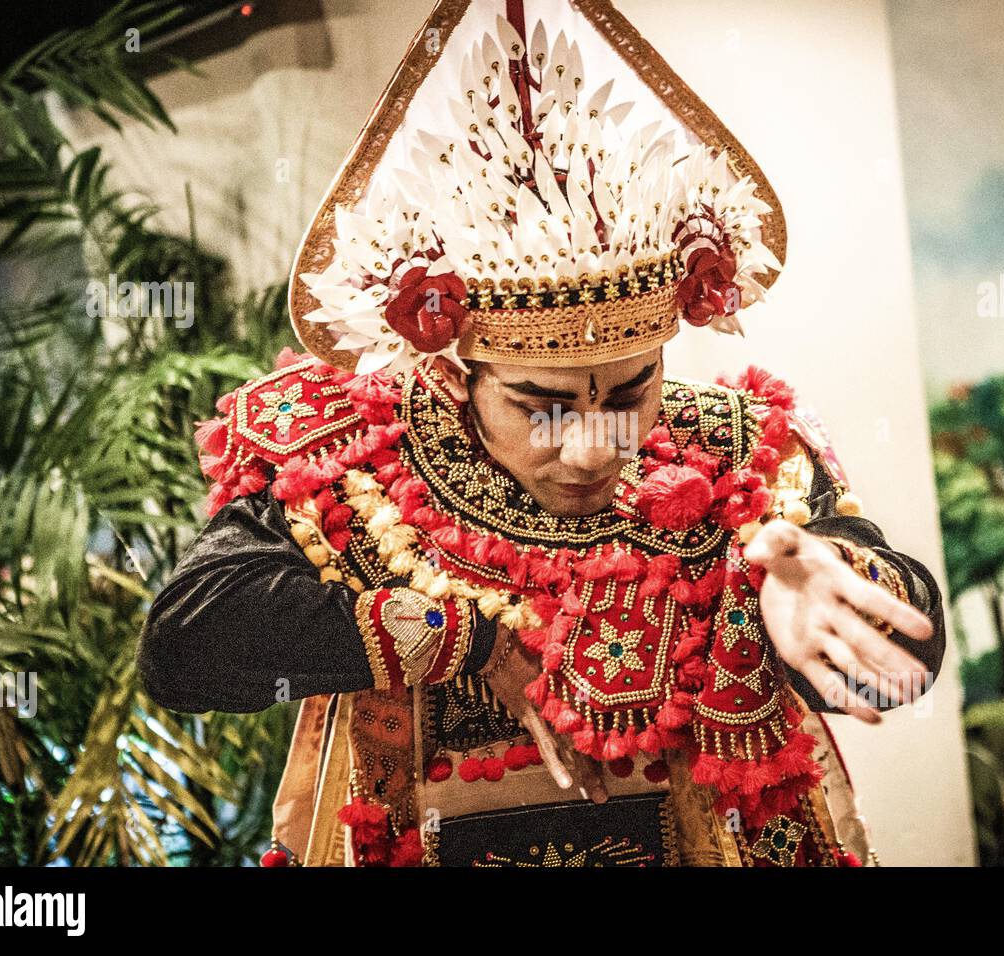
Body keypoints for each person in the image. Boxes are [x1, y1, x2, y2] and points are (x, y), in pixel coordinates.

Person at [138, 0, 945, 867]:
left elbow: (898, 668)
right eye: (545, 408)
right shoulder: (351, 462)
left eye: (633, 391)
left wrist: (842, 584)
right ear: (449, 373)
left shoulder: (740, 454)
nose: (595, 445)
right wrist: (470, 642)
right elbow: (186, 646)